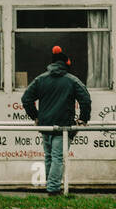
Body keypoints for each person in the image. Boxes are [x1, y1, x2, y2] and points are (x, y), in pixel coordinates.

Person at [21, 45, 91, 196]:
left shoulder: (40, 80)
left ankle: (50, 186)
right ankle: (53, 189)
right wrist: (83, 119)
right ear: (66, 64)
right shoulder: (72, 81)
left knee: (49, 156)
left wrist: (36, 116)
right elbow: (85, 99)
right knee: (58, 157)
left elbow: (26, 99)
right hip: (63, 126)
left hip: (45, 126)